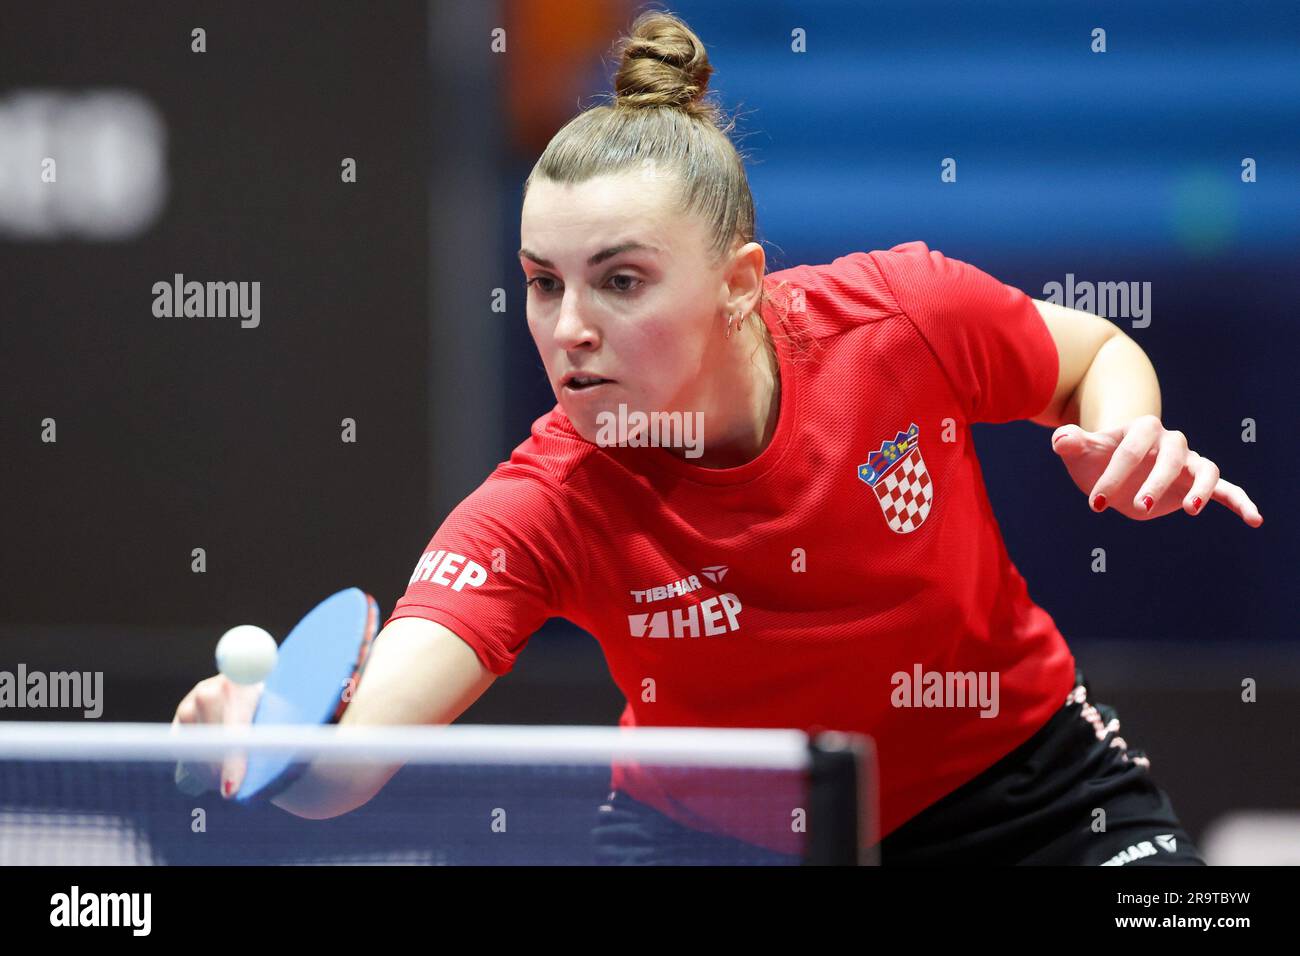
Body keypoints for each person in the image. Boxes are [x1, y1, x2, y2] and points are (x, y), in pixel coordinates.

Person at [173, 10, 1262, 865]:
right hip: (716, 842)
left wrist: (1128, 437)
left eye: (622, 280)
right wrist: (256, 743)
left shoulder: (899, 320)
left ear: (741, 285)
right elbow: (350, 765)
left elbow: (1087, 355)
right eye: (543, 285)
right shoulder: (547, 501)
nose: (569, 328)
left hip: (1022, 791)